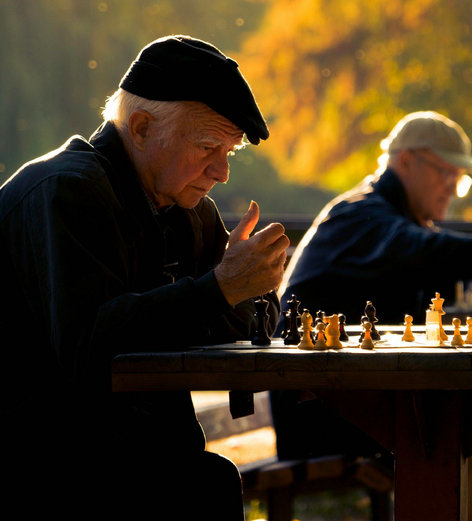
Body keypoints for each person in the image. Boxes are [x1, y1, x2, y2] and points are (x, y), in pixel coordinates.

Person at [0, 35, 289, 520]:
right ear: (140, 128)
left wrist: (243, 287)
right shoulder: (67, 192)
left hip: (130, 458)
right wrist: (220, 288)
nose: (220, 171)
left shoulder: (186, 208)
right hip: (44, 464)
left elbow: (241, 319)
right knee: (202, 487)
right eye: (207, 147)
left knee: (209, 482)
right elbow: (89, 349)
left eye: (228, 153)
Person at [270, 111, 472, 466]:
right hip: (316, 410)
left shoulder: (390, 218)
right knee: (470, 426)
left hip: (352, 394)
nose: (454, 189)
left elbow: (433, 257)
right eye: (447, 173)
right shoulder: (358, 215)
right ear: (406, 161)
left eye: (460, 179)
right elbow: (427, 250)